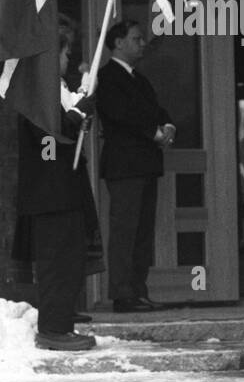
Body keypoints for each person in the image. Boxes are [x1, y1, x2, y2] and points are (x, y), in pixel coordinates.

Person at [14, 32, 98, 350]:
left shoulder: (59, 90)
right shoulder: (36, 93)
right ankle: (53, 328)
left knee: (70, 257)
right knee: (55, 261)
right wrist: (76, 117)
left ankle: (62, 316)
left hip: (64, 190)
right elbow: (47, 143)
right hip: (49, 194)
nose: (69, 59)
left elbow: (68, 122)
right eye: (65, 54)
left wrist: (80, 110)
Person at [96, 19, 174, 312]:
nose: (142, 44)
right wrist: (153, 132)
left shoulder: (139, 79)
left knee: (142, 233)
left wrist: (167, 125)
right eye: (136, 38)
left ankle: (138, 290)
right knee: (125, 232)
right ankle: (122, 294)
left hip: (145, 164)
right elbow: (121, 114)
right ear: (118, 43)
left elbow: (156, 109)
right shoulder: (106, 78)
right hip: (124, 166)